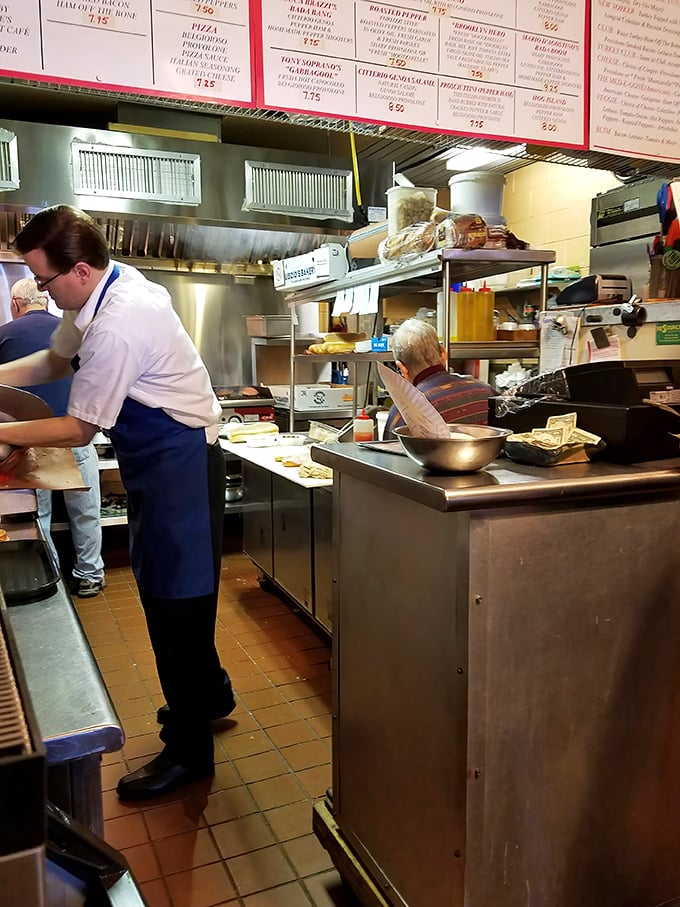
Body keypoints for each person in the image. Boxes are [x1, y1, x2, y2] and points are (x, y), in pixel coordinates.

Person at [0, 205, 233, 801]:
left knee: (175, 602)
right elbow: (55, 358)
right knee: (182, 592)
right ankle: (207, 698)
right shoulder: (100, 291)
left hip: (179, 467)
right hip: (163, 464)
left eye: (45, 281)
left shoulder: (122, 318)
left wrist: (3, 433)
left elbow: (79, 427)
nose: (45, 295)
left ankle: (190, 753)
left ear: (78, 270)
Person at [0, 278, 106, 597]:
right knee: (86, 511)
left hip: (30, 441)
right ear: (46, 302)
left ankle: (51, 576)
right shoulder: (72, 335)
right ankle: (90, 574)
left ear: (16, 305)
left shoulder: (4, 334)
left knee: (39, 516)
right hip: (76, 434)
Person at [384, 318, 494, 437]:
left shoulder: (403, 410)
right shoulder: (486, 391)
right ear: (443, 353)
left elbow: (387, 451)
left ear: (402, 368)